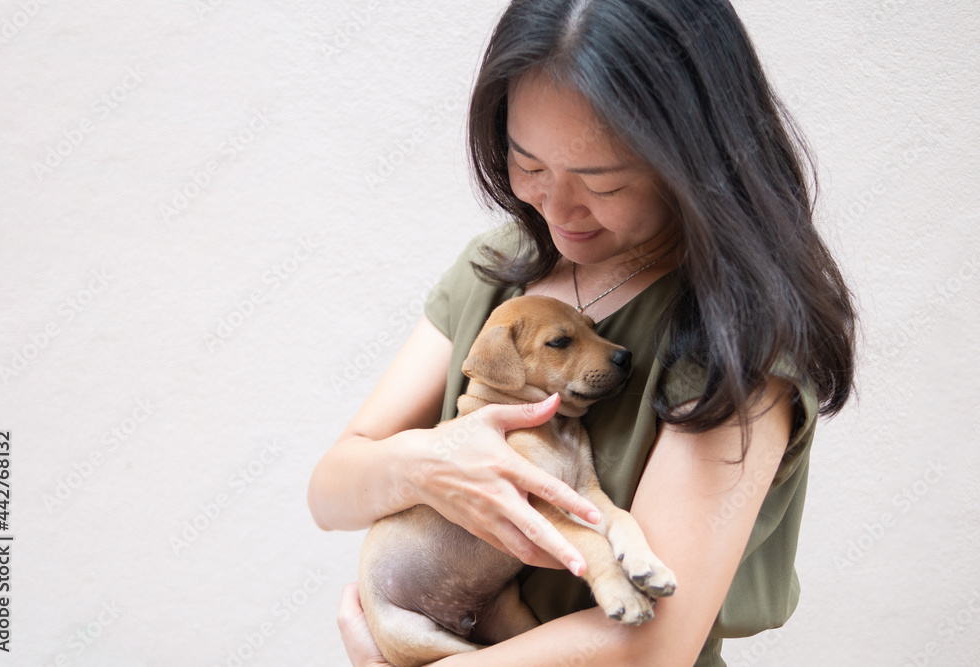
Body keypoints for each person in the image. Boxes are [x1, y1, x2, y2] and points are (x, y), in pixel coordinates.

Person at [308, 0, 856, 664]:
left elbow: (650, 648)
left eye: (602, 181)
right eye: (527, 164)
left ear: (692, 160)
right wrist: (434, 463)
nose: (558, 210)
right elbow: (333, 486)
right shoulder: (499, 273)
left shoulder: (733, 337)